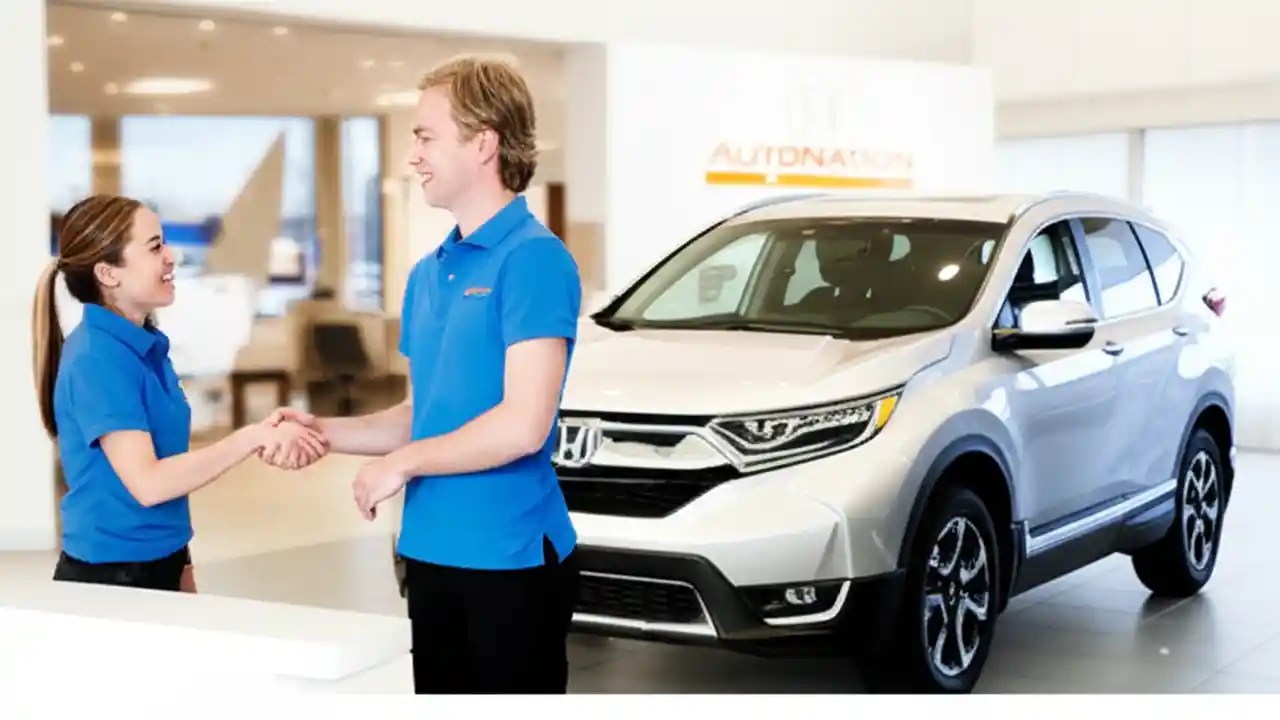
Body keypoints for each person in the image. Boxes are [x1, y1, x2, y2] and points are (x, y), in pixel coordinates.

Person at [264, 55, 582, 694]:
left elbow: (524, 425)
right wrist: (318, 429)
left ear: (484, 143)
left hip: (509, 555)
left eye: (426, 136)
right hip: (430, 551)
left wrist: (402, 464)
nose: (413, 155)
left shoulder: (535, 261)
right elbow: (420, 415)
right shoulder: (427, 274)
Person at [32, 194, 328, 593]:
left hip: (161, 559)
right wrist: (250, 438)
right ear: (108, 273)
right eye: (155, 247)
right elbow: (150, 484)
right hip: (111, 576)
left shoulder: (146, 344)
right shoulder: (97, 358)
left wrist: (181, 563)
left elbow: (168, 470)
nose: (172, 257)